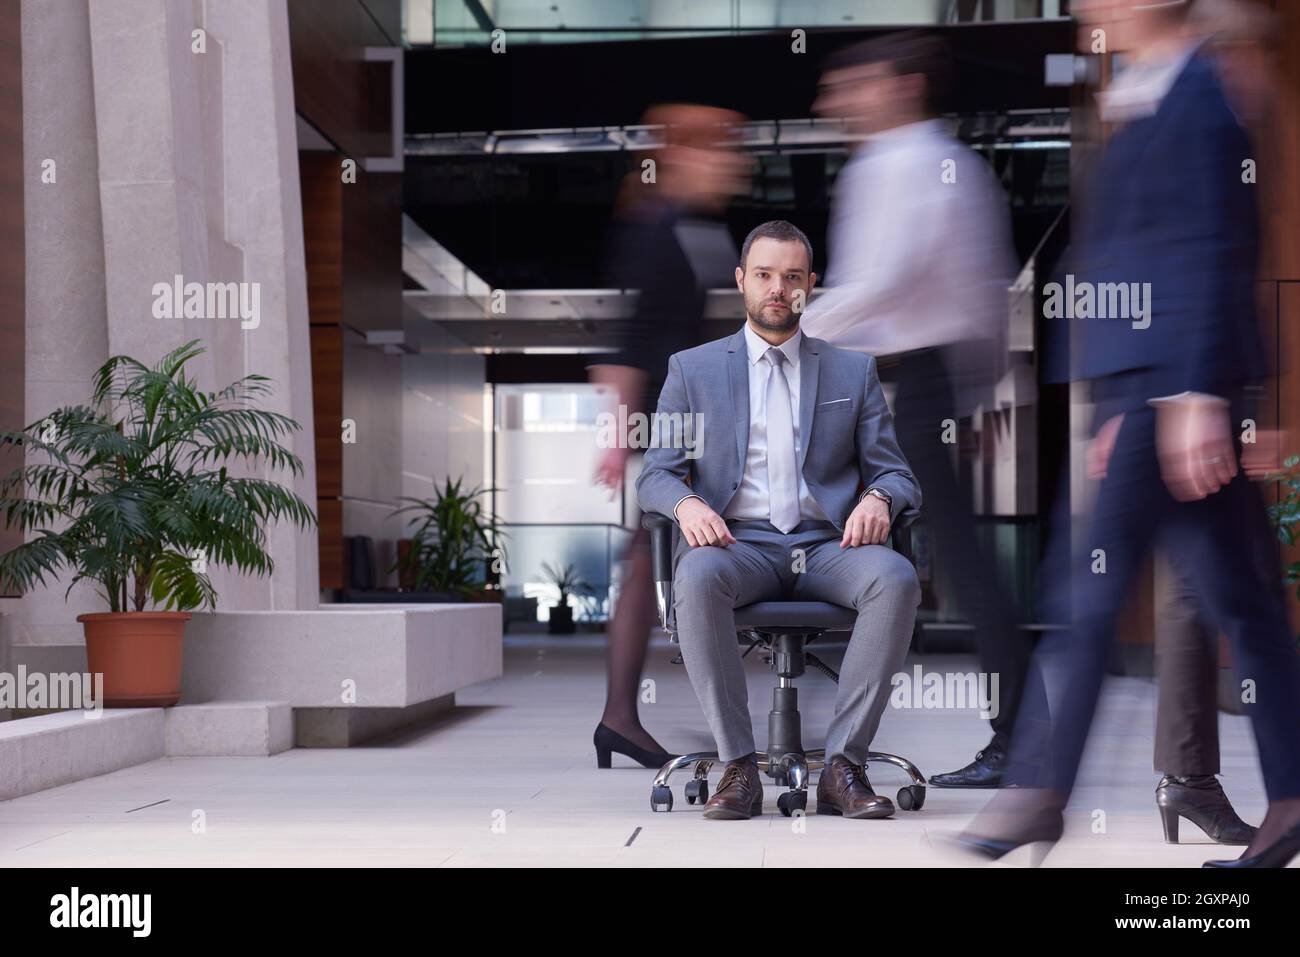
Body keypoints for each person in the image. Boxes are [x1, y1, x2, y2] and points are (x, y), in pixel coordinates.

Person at [955, 0, 1300, 869]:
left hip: (1174, 393)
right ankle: (1293, 802)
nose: (1082, 5)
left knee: (1086, 594)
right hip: (1147, 395)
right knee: (1251, 610)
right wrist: (1114, 404)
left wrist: (1195, 393)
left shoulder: (1200, 92)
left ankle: (1039, 790)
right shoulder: (1147, 90)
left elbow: (1214, 244)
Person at [801, 31, 1030, 788]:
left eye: (853, 85)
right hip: (926, 381)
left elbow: (886, 280)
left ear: (902, 86)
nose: (836, 103)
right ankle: (1011, 730)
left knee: (945, 559)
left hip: (913, 381)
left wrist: (781, 330)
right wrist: (983, 389)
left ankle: (1018, 733)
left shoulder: (902, 165)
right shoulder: (951, 165)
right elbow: (986, 296)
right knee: (942, 560)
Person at [636, 220, 922, 820]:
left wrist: (879, 500)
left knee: (895, 579)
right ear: (741, 281)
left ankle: (844, 766)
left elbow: (898, 475)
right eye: (764, 275)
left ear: (810, 286)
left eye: (792, 277)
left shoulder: (853, 371)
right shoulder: (692, 370)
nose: (777, 288)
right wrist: (687, 504)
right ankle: (737, 765)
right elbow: (655, 475)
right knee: (695, 576)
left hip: (828, 545)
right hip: (739, 545)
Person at [590, 104, 750, 769]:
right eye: (724, 148)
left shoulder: (699, 225)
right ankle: (622, 716)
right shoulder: (654, 228)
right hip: (670, 422)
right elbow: (628, 340)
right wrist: (615, 435)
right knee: (648, 559)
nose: (737, 160)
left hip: (703, 419)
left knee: (654, 559)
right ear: (686, 154)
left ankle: (623, 717)